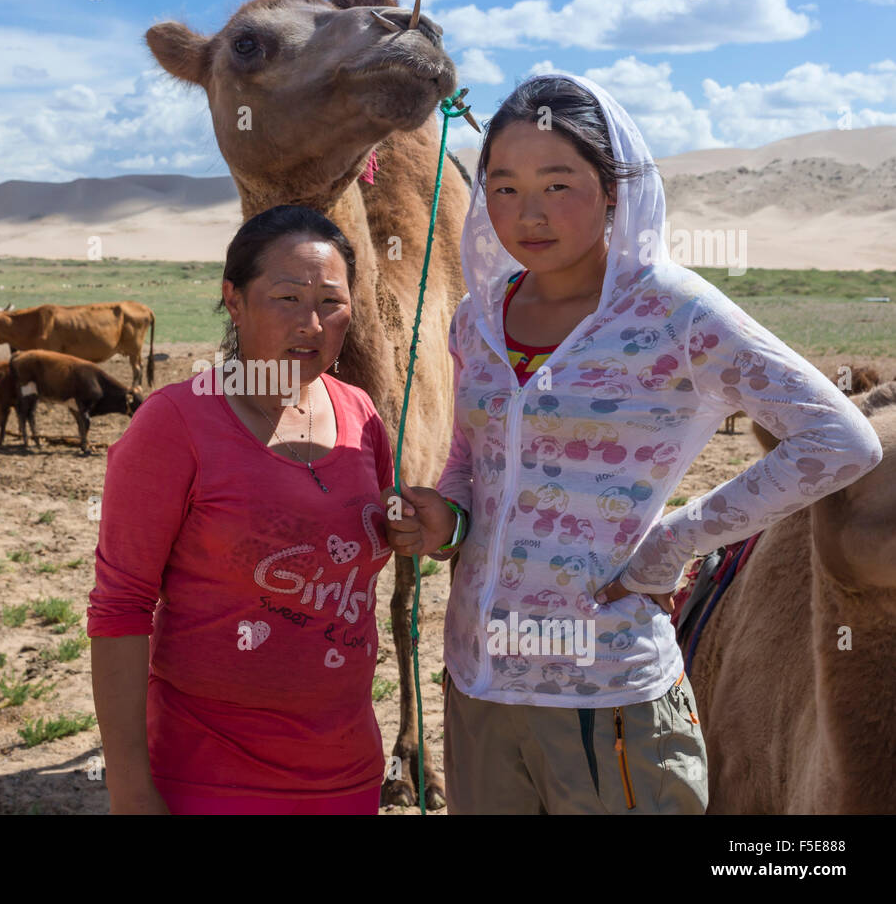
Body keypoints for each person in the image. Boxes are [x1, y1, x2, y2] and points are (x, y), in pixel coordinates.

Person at [383, 72, 883, 814]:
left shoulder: (673, 312)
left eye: (559, 184)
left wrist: (676, 539)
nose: (530, 214)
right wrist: (446, 519)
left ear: (613, 189)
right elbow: (470, 462)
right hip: (477, 684)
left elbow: (838, 438)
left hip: (607, 694)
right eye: (505, 186)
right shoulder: (479, 319)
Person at [88, 204, 396, 815]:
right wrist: (129, 789)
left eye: (331, 303)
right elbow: (120, 609)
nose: (311, 323)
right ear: (234, 301)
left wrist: (425, 526)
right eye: (286, 298)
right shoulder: (176, 424)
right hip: (210, 774)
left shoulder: (361, 414)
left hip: (348, 771)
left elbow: (373, 540)